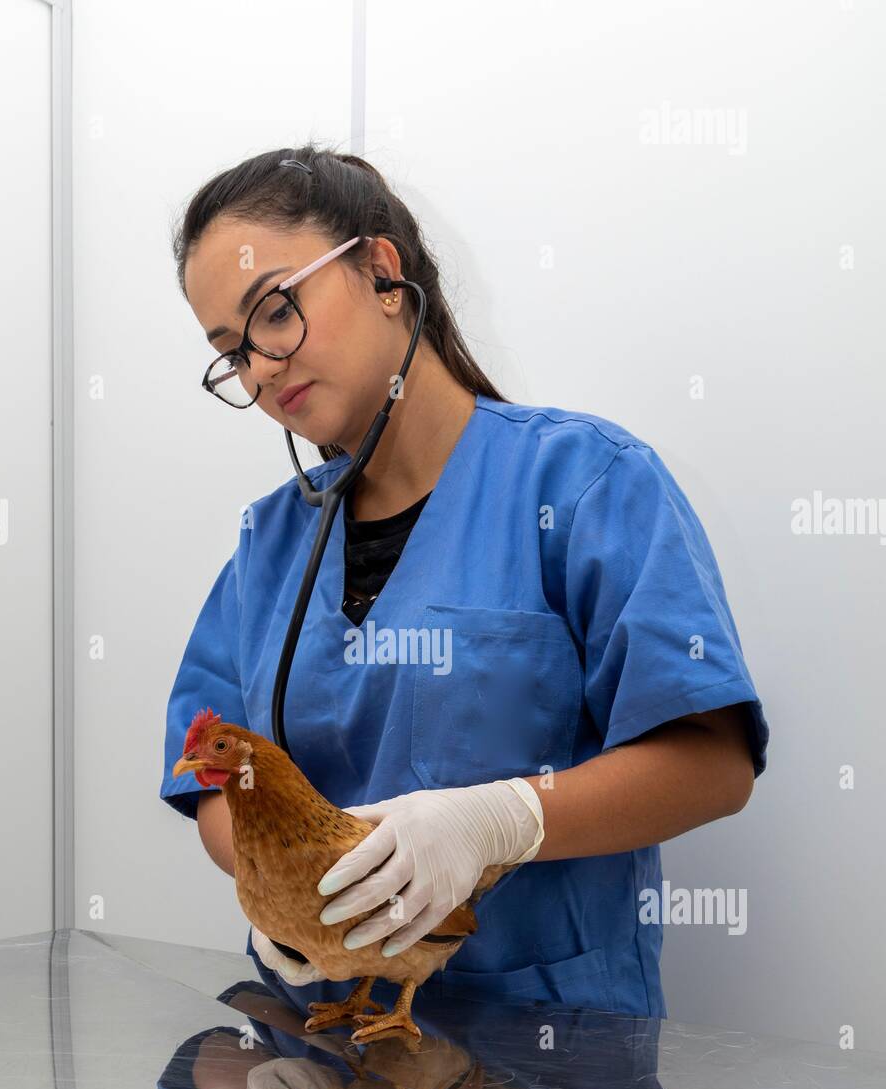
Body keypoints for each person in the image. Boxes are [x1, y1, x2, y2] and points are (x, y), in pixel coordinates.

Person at [160, 143, 769, 1021]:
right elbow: (212, 780)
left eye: (275, 312)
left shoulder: (585, 484)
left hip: (555, 1080)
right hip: (327, 1051)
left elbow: (712, 765)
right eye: (230, 351)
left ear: (380, 270)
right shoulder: (270, 542)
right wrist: (279, 889)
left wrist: (497, 820)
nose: (259, 366)